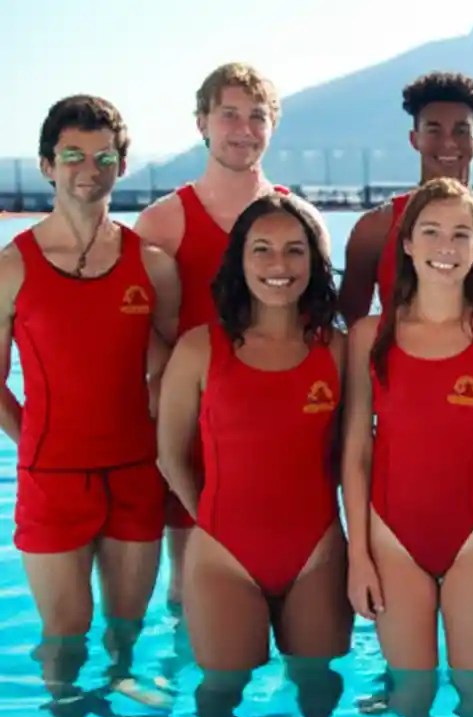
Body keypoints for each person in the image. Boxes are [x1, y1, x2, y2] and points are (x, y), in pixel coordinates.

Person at [0, 95, 180, 706]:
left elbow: (171, 370)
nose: (89, 168)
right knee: (65, 636)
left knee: (125, 634)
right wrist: (34, 446)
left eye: (104, 155)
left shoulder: (152, 266)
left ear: (121, 165)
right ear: (48, 165)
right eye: (72, 154)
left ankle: (121, 688)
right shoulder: (13, 267)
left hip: (135, 470)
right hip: (51, 475)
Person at [342, 177, 473, 717]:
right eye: (430, 232)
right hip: (391, 535)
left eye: (461, 234)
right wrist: (357, 555)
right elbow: (356, 450)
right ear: (406, 243)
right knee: (410, 694)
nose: (445, 247)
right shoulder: (368, 335)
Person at [134, 62, 331, 606]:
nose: (243, 129)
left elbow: (319, 321)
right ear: (202, 123)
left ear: (273, 127)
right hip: (198, 433)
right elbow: (137, 331)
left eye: (257, 117)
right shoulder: (163, 222)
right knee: (187, 589)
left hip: (284, 437)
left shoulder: (303, 221)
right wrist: (173, 389)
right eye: (229, 115)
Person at [156, 193, 350, 717]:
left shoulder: (335, 350)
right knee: (220, 694)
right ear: (240, 261)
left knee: (317, 687)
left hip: (318, 553)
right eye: (261, 249)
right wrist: (214, 523)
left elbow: (356, 455)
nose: (279, 265)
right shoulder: (200, 348)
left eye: (294, 250)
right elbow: (169, 454)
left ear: (314, 262)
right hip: (224, 554)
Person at [338, 71, 473, 324]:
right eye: (434, 131)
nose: (449, 143)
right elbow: (351, 324)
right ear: (414, 139)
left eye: (461, 131)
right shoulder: (374, 230)